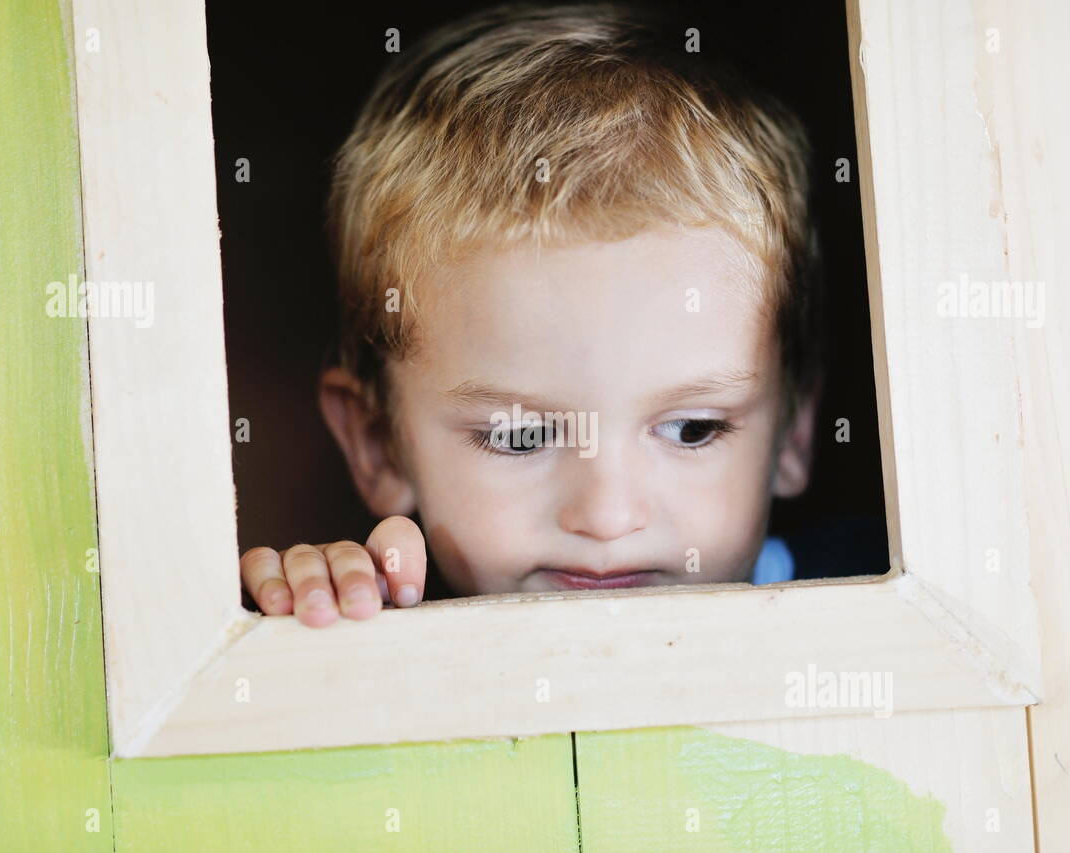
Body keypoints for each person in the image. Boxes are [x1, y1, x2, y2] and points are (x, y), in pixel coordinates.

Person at [239, 2, 833, 627]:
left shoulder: (893, 601)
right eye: (521, 435)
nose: (607, 518)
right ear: (379, 444)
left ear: (792, 430)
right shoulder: (384, 627)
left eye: (693, 429)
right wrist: (328, 621)